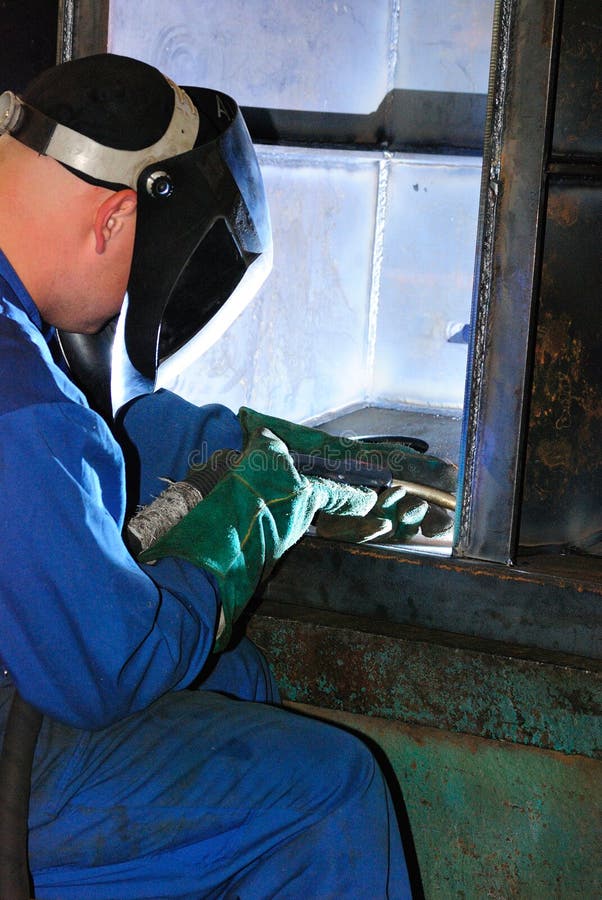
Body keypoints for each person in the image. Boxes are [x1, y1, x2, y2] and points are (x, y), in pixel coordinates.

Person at [0, 53, 419, 897]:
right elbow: (104, 671)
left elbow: (77, 458)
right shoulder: (18, 397)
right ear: (116, 219)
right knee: (329, 792)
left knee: (235, 681)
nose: (127, 308)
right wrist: (217, 555)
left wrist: (225, 444)